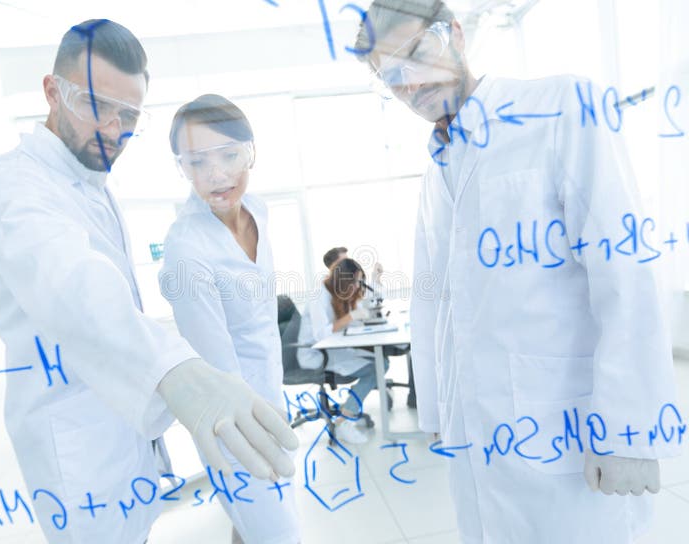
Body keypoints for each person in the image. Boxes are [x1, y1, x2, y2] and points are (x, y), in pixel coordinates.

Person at [354, 1, 679, 543]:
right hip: (477, 438)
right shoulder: (436, 171)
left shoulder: (560, 107)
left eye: (418, 52)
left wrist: (628, 429)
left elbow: (624, 269)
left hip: (568, 437)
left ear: (456, 34)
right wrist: (439, 413)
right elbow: (436, 304)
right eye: (392, 75)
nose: (411, 83)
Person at [0, 20, 297, 544]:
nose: (113, 128)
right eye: (96, 105)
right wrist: (180, 372)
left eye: (128, 115)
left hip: (125, 436)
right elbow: (75, 287)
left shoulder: (93, 186)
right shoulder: (11, 183)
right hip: (78, 451)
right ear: (52, 92)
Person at [158, 94, 300, 544]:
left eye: (228, 155)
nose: (216, 174)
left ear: (250, 152)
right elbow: (216, 369)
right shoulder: (187, 248)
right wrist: (254, 433)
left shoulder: (258, 209)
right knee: (279, 536)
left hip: (271, 401)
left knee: (254, 529)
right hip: (232, 423)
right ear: (182, 167)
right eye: (198, 161)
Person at [297, 258, 389, 444]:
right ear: (342, 280)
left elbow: (368, 301)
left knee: (381, 362)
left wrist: (375, 280)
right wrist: (351, 317)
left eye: (359, 282)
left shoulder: (340, 292)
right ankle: (343, 421)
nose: (357, 287)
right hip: (316, 354)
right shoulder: (319, 295)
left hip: (334, 349)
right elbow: (320, 334)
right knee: (376, 367)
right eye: (354, 282)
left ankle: (349, 409)